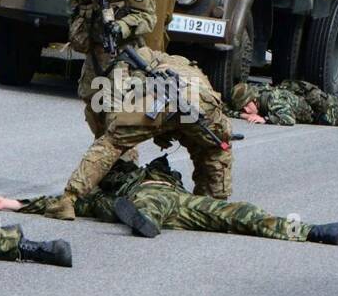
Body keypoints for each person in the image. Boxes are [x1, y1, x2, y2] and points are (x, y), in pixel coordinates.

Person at [0, 156, 338, 245]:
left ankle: (316, 231)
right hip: (136, 200)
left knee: (242, 213)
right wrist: (13, 204)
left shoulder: (164, 177)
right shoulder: (115, 188)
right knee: (144, 203)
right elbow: (69, 202)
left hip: (180, 205)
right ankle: (144, 218)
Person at [44, 49, 234, 219]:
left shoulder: (142, 62)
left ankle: (69, 200)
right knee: (216, 148)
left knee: (112, 142)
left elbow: (126, 95)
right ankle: (213, 204)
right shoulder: (194, 72)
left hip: (162, 100)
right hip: (200, 104)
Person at [67, 0, 157, 141]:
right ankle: (104, 153)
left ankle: (123, 163)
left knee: (118, 114)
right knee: (93, 104)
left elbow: (148, 17)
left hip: (123, 53)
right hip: (95, 50)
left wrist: (122, 27)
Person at [228, 80, 338, 129]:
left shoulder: (273, 101)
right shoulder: (261, 94)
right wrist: (243, 115)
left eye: (245, 106)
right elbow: (227, 110)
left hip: (319, 113)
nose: (244, 110)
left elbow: (288, 120)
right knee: (333, 105)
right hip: (313, 104)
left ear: (253, 100)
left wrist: (264, 120)